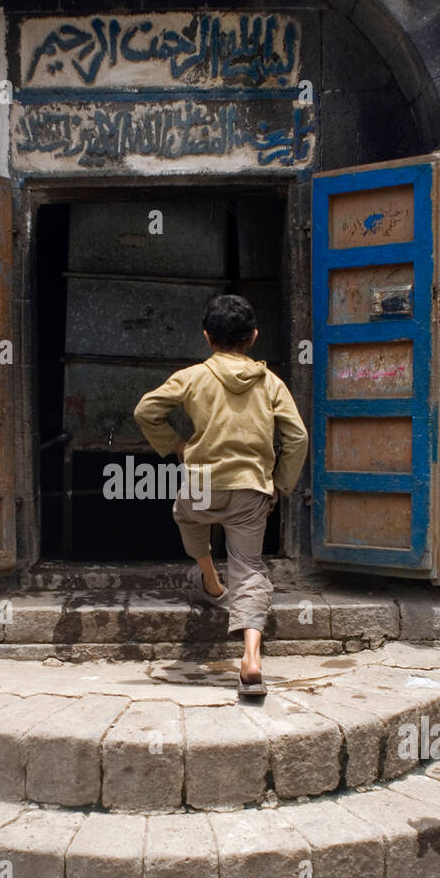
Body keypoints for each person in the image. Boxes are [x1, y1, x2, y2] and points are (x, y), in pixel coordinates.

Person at [133, 293, 308, 696]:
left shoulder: (193, 377)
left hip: (200, 482)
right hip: (250, 486)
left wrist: (175, 444)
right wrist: (280, 483)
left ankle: (210, 580)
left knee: (188, 517)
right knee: (248, 568)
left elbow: (146, 410)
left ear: (208, 336)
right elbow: (297, 437)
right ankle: (250, 658)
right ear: (254, 337)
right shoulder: (270, 383)